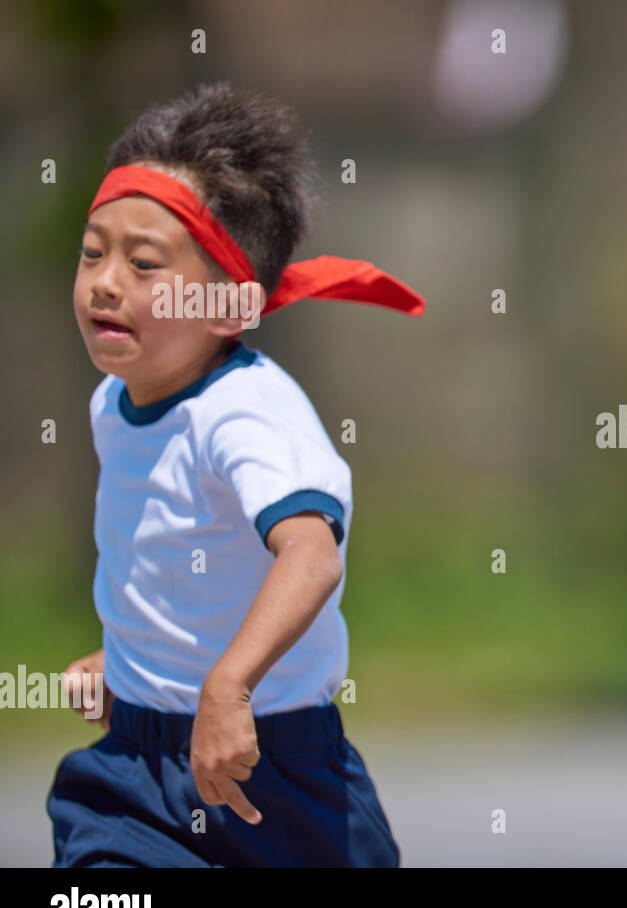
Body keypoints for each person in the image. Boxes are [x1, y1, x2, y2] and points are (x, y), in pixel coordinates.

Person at [49, 82, 423, 866]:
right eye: (93, 252)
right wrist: (129, 660)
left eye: (143, 263)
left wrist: (227, 687)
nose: (106, 281)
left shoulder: (247, 410)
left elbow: (311, 553)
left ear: (226, 306)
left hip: (275, 769)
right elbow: (163, 555)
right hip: (135, 770)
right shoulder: (113, 404)